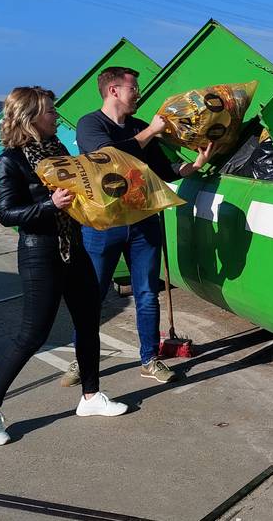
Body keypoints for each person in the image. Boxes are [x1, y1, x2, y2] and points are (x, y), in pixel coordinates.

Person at [0, 86, 127, 446]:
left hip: (74, 248)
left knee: (89, 322)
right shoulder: (9, 161)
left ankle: (90, 396)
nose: (56, 116)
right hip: (40, 253)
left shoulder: (58, 152)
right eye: (51, 111)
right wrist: (50, 205)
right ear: (31, 117)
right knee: (32, 334)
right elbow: (7, 213)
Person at [66, 67, 214, 385]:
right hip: (104, 225)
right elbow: (108, 157)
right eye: (133, 88)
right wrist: (151, 133)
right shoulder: (90, 124)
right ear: (114, 91)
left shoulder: (138, 126)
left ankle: (150, 359)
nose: (138, 94)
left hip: (143, 222)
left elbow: (162, 169)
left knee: (147, 293)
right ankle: (81, 360)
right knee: (93, 295)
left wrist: (192, 166)